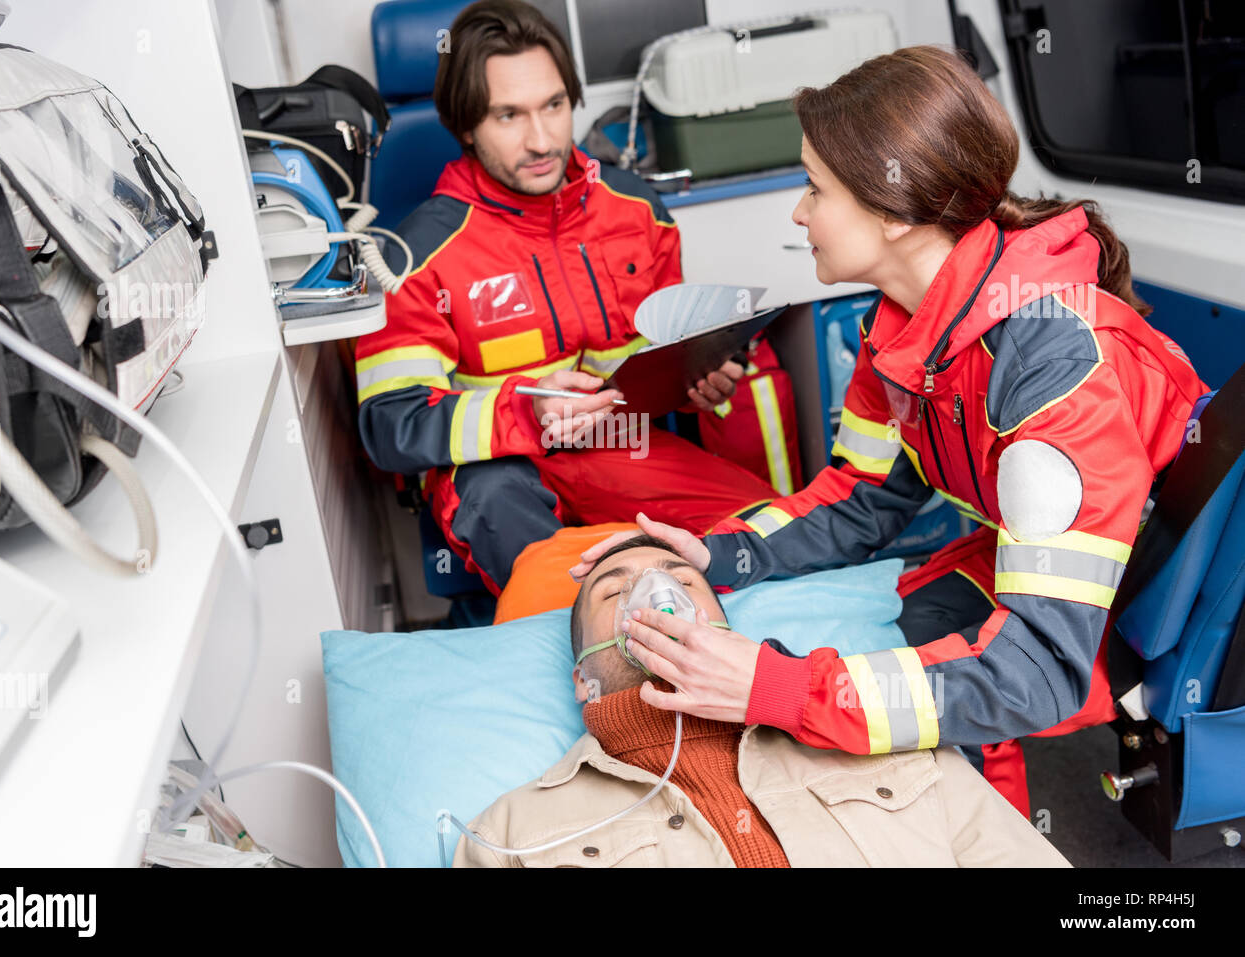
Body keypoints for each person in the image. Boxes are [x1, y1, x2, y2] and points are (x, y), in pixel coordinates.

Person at [569, 45, 1210, 817]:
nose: (798, 212)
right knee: (907, 639)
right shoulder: (901, 336)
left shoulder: (1054, 369)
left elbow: (1038, 667)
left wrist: (776, 687)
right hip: (1077, 560)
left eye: (815, 188)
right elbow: (864, 495)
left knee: (918, 689)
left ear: (896, 211)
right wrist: (719, 549)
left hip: (1163, 594)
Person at [354, 0, 783, 595]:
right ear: (466, 126)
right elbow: (389, 424)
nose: (540, 140)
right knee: (567, 596)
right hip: (496, 474)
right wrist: (527, 410)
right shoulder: (412, 257)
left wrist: (699, 381)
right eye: (508, 116)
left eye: (553, 106)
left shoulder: (637, 212)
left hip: (620, 445)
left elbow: (662, 353)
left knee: (767, 535)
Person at [453, 536, 1070, 867]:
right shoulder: (512, 834)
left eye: (685, 582)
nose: (656, 595)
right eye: (615, 593)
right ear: (580, 677)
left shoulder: (878, 740)